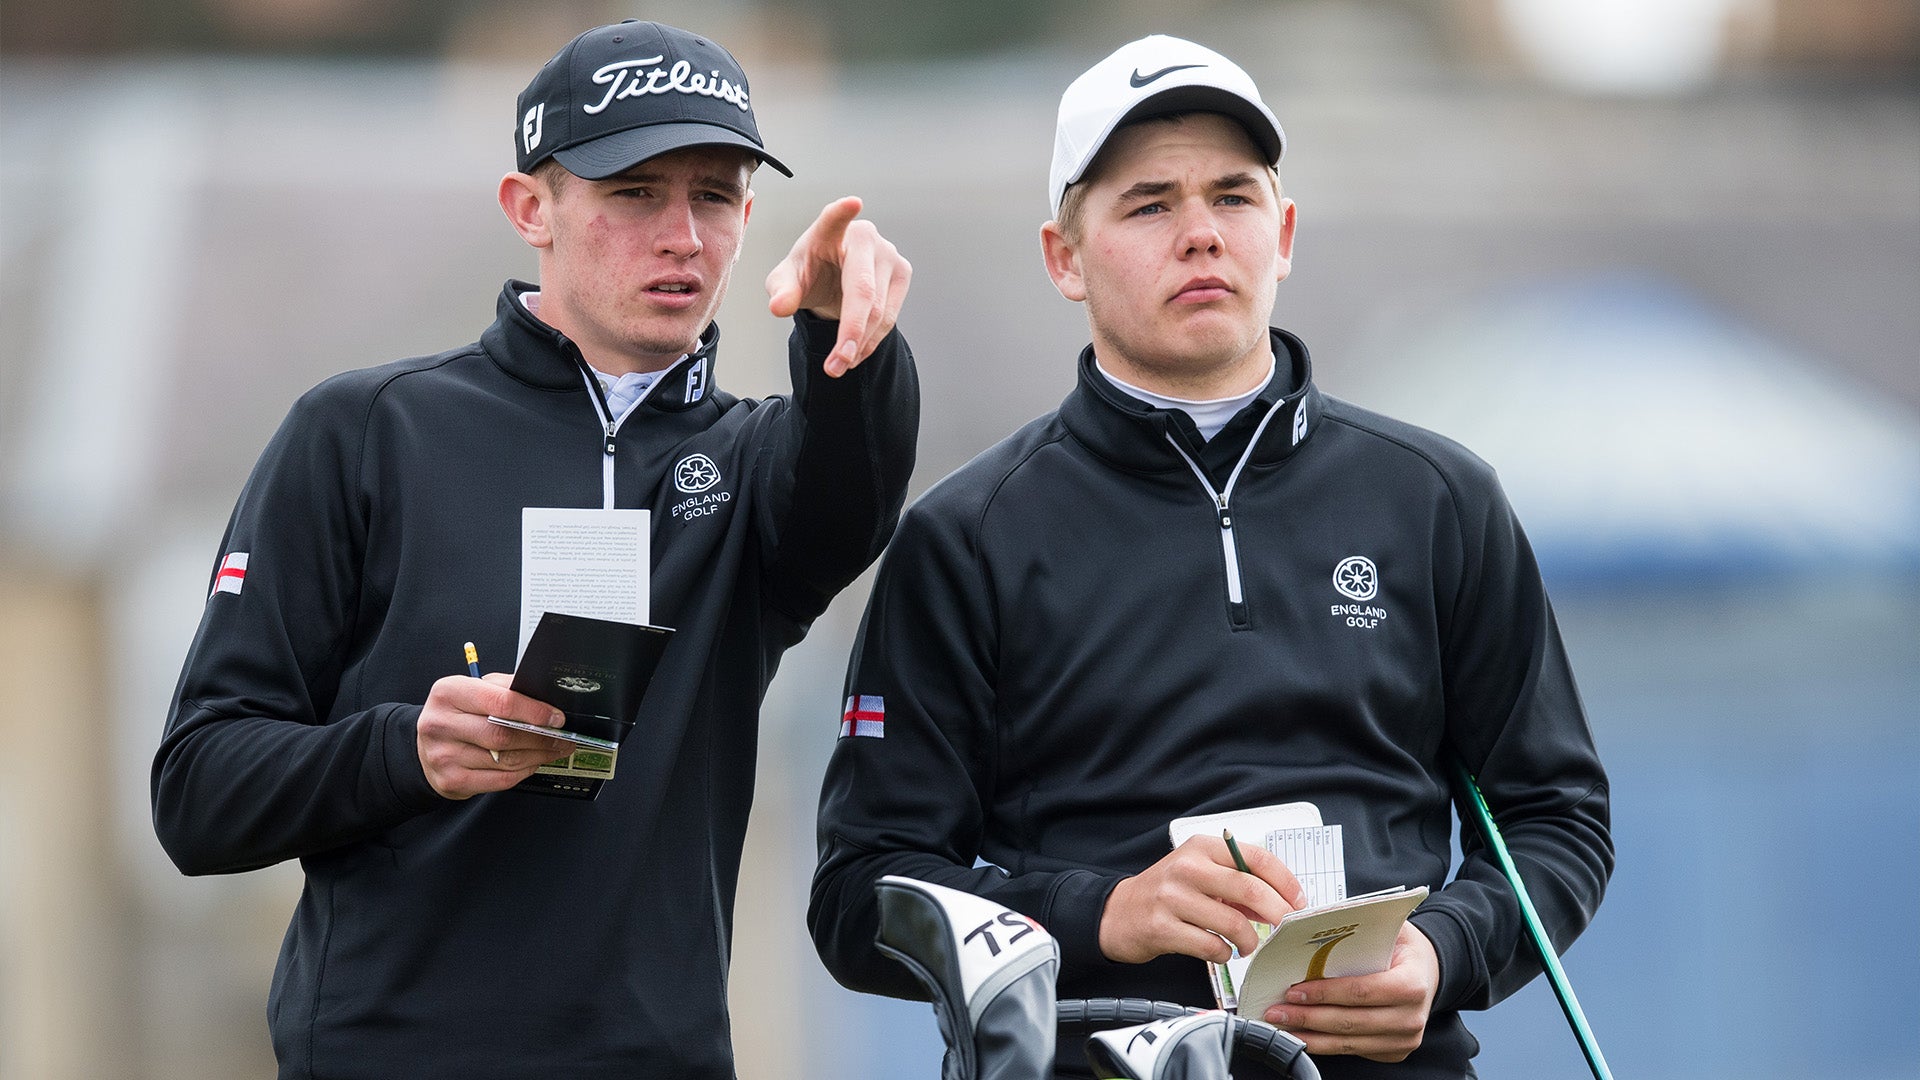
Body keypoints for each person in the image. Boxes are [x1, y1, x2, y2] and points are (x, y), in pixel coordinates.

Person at [809, 34, 1610, 1079]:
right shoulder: (969, 534)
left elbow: (1558, 821)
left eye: (1232, 198)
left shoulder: (1437, 499)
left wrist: (1443, 951)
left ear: (1281, 234)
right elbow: (860, 894)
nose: (1200, 235)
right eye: (1149, 205)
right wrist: (1108, 912)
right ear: (1064, 256)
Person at [152, 20, 917, 1080]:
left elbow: (857, 493)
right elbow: (197, 792)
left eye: (714, 194)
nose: (683, 235)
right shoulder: (364, 434)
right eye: (635, 191)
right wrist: (404, 751)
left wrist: (852, 346)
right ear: (532, 208)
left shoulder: (755, 467)